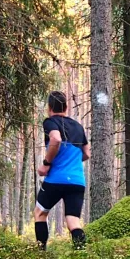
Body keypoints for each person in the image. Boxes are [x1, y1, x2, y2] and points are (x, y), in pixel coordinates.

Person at [35, 90, 90, 249]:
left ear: (49, 108)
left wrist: (46, 163)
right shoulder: (79, 127)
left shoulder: (50, 122)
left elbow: (56, 138)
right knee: (73, 221)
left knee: (40, 213)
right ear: (66, 107)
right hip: (77, 181)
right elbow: (86, 153)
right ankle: (81, 256)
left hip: (56, 179)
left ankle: (40, 255)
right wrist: (70, 161)